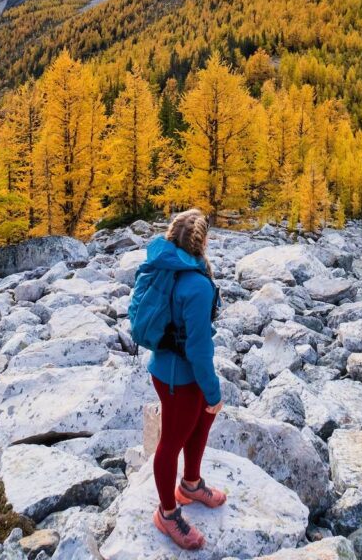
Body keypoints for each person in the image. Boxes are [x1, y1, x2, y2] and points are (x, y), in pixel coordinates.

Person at [139, 210, 227, 550]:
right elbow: (199, 350)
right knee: (170, 443)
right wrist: (213, 391)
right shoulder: (198, 285)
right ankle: (167, 513)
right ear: (203, 243)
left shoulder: (166, 268)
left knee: (199, 422)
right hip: (181, 378)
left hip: (164, 369)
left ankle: (190, 485)